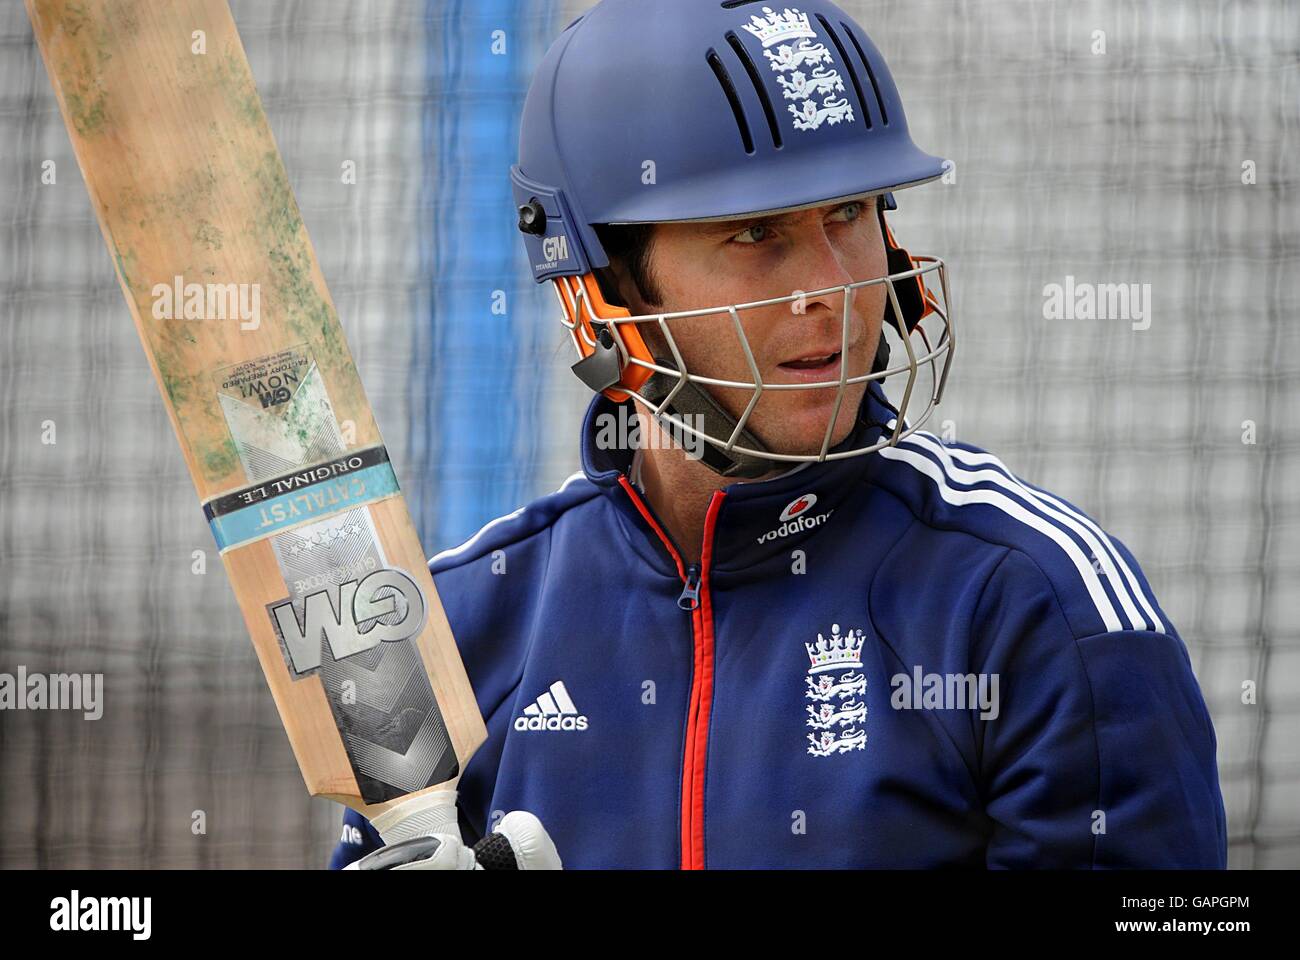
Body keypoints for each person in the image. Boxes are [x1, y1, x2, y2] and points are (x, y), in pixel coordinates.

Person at [332, 0, 1225, 869]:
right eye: (757, 232)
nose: (832, 287)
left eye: (850, 215)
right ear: (601, 289)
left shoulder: (1035, 606)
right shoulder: (459, 628)